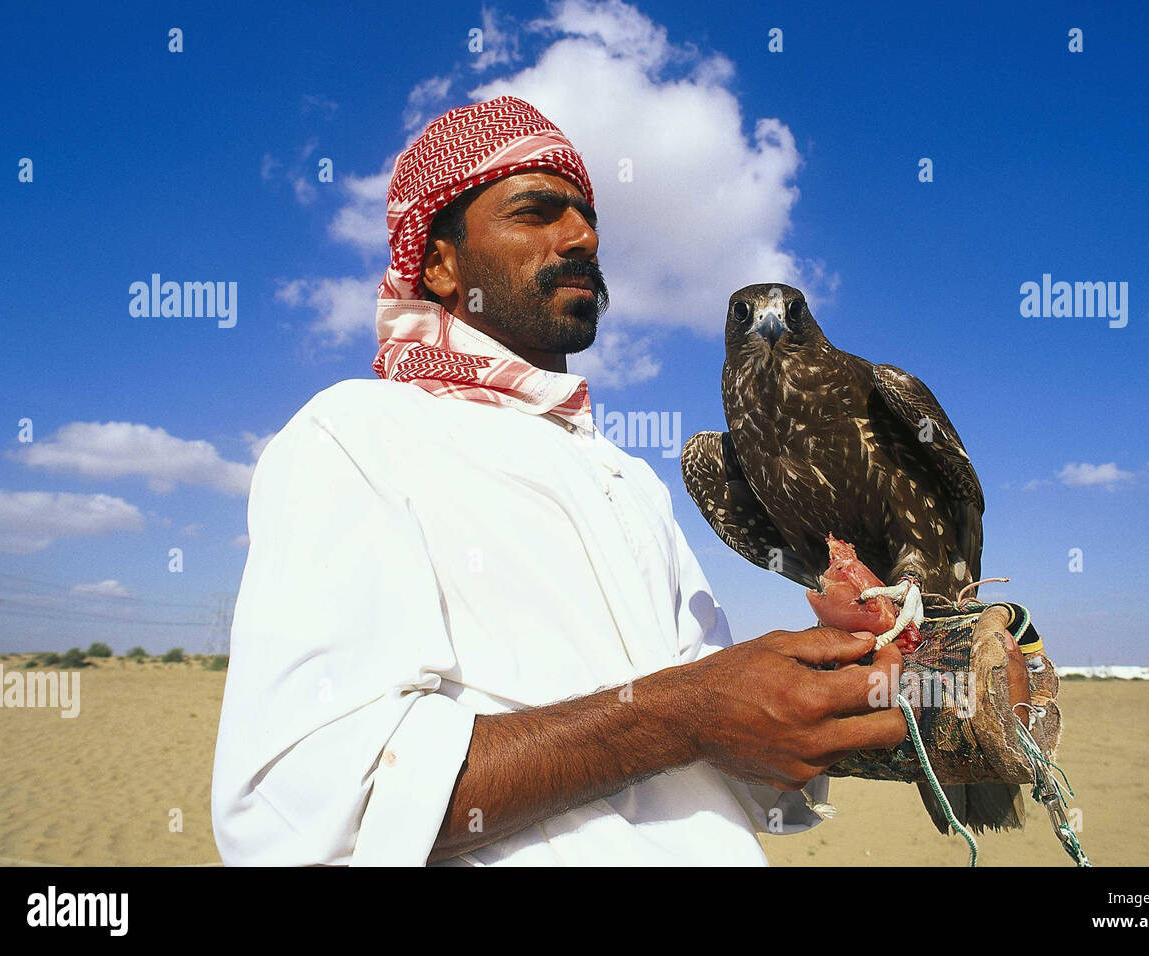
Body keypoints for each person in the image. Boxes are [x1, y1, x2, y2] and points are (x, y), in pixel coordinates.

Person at [210, 95, 908, 866]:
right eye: (536, 211)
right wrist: (680, 716)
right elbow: (297, 809)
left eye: (585, 214)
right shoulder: (356, 435)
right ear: (439, 263)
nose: (582, 235)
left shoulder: (626, 479)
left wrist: (852, 664)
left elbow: (737, 756)